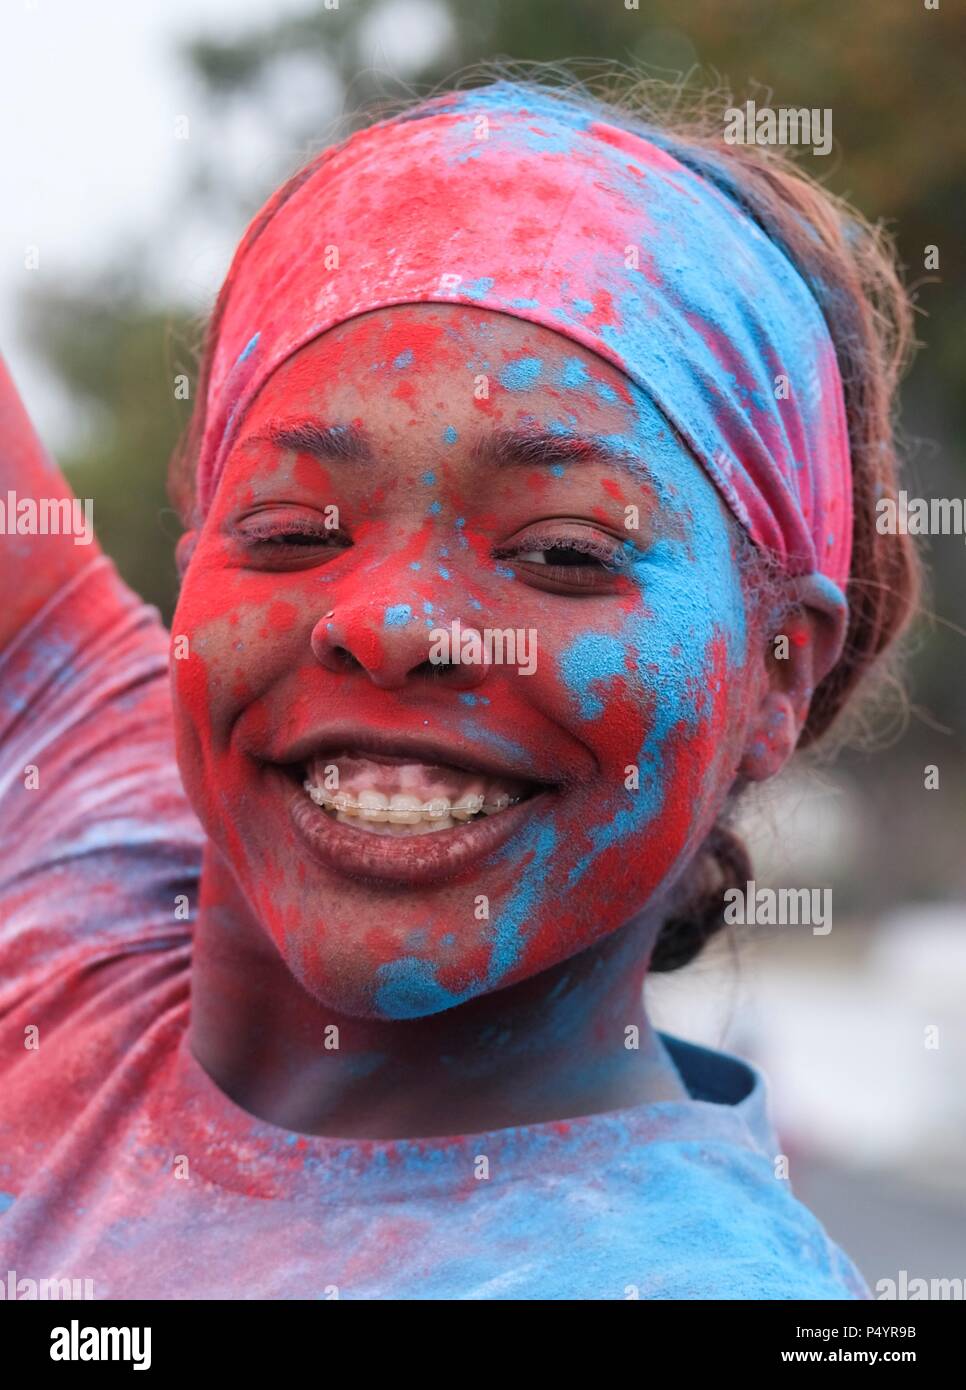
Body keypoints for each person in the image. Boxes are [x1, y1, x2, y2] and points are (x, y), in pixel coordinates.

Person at [0, 77, 917, 1299]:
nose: (386, 623)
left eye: (561, 553)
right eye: (287, 530)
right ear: (194, 568)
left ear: (774, 675)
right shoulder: (75, 823)